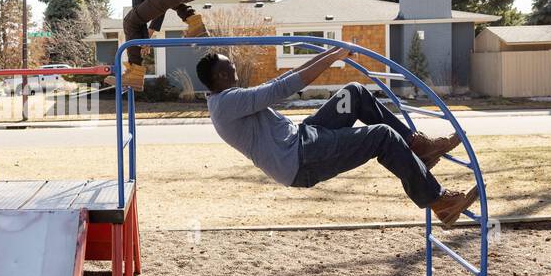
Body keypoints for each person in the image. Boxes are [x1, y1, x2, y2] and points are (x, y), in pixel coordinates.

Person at [195, 47, 478, 227]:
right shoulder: (227, 103)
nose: (235, 69)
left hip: (305, 137)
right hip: (300, 160)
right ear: (221, 76)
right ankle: (439, 201)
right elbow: (281, 89)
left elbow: (282, 79)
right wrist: (332, 58)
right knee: (382, 136)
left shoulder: (224, 96)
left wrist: (330, 52)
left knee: (354, 92)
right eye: (230, 67)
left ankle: (419, 147)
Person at [105, 0, 209, 91]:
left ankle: (134, 73)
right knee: (167, 0)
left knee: (129, 20)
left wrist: (141, 40)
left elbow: (137, 13)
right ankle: (195, 23)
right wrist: (147, 36)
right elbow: (159, 6)